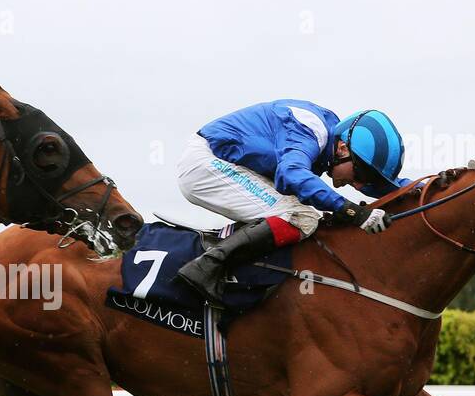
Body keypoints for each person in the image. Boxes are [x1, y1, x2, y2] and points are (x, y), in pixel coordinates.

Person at [174, 101, 409, 304]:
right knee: (302, 217)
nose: (360, 186)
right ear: (343, 148)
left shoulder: (335, 143)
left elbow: (386, 185)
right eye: (361, 175)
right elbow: (292, 174)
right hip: (206, 163)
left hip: (225, 162)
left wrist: (428, 187)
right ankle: (206, 267)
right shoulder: (312, 130)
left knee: (303, 214)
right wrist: (353, 212)